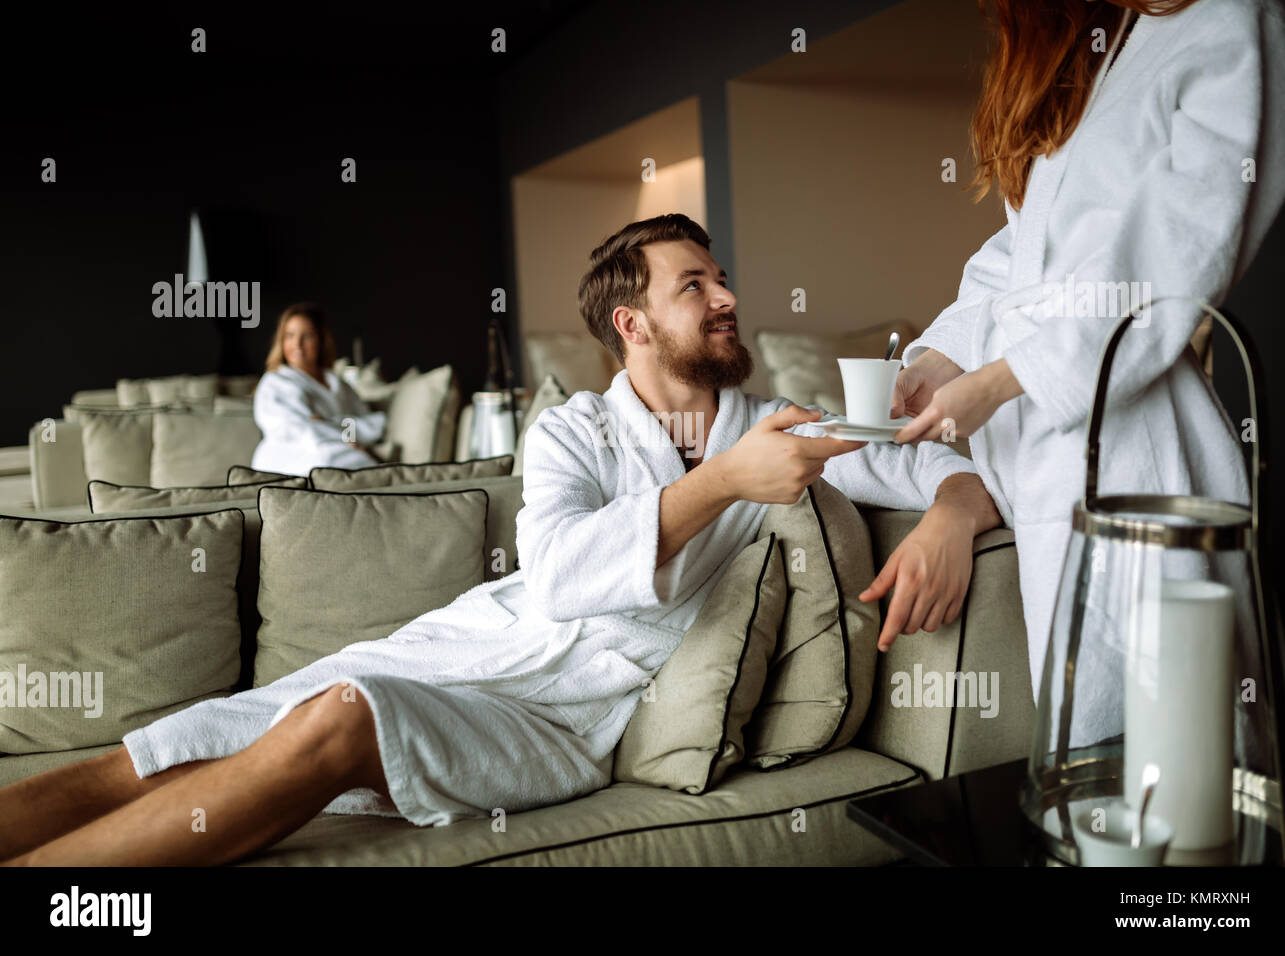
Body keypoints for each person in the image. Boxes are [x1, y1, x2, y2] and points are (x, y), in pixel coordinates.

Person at [0, 214, 1000, 866]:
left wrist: (953, 510)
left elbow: (918, 458)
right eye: (695, 283)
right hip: (471, 642)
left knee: (342, 715)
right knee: (165, 745)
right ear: (634, 323)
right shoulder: (571, 427)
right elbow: (560, 571)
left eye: (721, 277)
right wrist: (722, 485)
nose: (728, 296)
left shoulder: (770, 425)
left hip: (560, 721)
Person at [889, 0, 1285, 739]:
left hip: (1137, 434)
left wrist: (1003, 379)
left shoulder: (1236, 18)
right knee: (1086, 729)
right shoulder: (1096, 51)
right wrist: (941, 356)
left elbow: (1182, 249)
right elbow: (1021, 256)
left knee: (1180, 735)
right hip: (1042, 448)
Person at [249, 303, 386, 476]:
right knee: (332, 463)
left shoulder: (337, 383)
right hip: (290, 457)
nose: (297, 344)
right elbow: (297, 429)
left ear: (321, 340)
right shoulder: (275, 382)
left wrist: (328, 424)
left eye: (307, 336)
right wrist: (345, 433)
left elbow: (372, 423)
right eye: (289, 336)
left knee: (360, 464)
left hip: (341, 449)